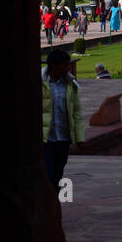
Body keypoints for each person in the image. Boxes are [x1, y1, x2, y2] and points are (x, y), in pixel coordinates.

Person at [41, 47, 84, 192]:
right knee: (48, 176)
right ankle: (48, 210)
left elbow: (76, 113)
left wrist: (80, 138)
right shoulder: (40, 83)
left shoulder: (70, 84)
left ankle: (51, 209)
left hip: (63, 139)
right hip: (45, 139)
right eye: (64, 64)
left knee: (57, 176)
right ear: (53, 65)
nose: (68, 67)